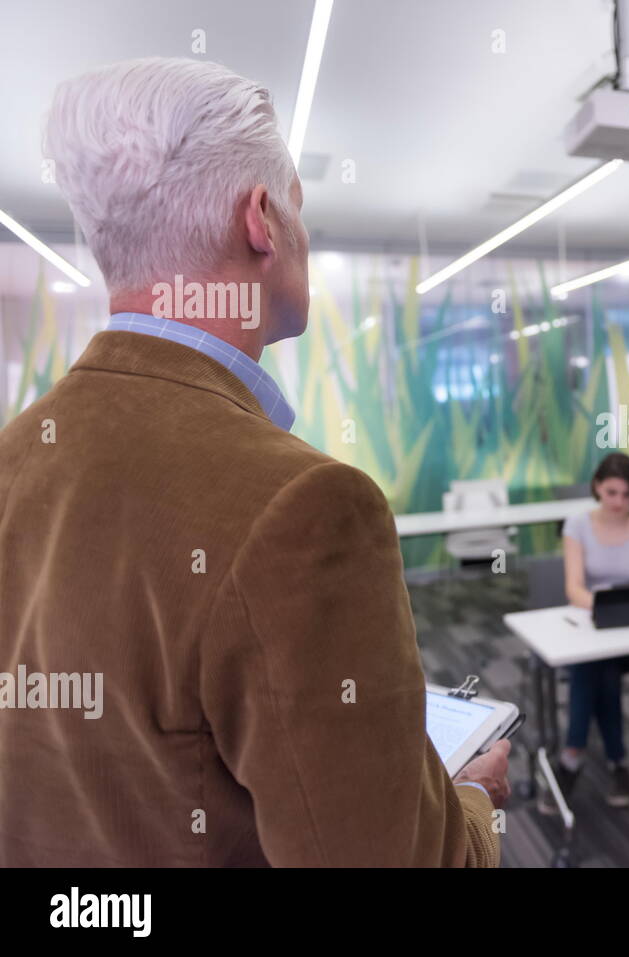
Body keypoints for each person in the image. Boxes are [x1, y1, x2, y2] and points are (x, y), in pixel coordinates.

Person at [0, 58, 508, 866]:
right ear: (263, 220)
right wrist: (475, 802)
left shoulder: (15, 457)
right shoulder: (305, 505)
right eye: (300, 206)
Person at [542, 452, 629, 812]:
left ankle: (571, 757)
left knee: (593, 669)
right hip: (595, 624)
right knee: (598, 668)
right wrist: (604, 608)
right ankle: (617, 761)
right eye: (611, 492)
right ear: (597, 488)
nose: (619, 502)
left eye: (627, 494)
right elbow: (573, 588)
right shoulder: (578, 524)